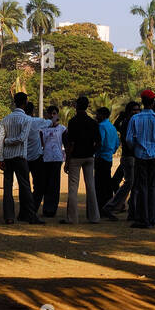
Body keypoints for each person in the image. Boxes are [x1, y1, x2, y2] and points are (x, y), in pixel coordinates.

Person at [0, 93, 41, 225]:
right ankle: (31, 215)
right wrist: (9, 141)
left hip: (7, 157)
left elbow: (0, 140)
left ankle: (9, 216)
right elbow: (22, 138)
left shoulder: (5, 119)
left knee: (7, 187)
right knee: (25, 187)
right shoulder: (27, 119)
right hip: (20, 156)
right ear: (25, 103)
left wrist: (1, 156)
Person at [125, 90, 155, 228]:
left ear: (142, 101)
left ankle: (144, 219)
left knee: (142, 187)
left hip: (140, 156)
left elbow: (129, 139)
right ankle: (152, 218)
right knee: (152, 187)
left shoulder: (135, 119)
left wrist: (136, 147)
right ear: (153, 102)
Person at [62, 96, 100, 224]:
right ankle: (94, 217)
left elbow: (70, 143)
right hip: (89, 156)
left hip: (76, 157)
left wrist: (67, 160)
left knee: (73, 188)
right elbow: (98, 142)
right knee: (91, 187)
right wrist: (92, 152)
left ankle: (72, 218)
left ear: (77, 106)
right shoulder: (93, 122)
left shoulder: (73, 122)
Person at [103, 102, 140, 217]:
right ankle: (111, 206)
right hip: (130, 157)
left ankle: (131, 211)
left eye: (138, 110)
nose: (136, 112)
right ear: (129, 111)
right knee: (129, 184)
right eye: (134, 110)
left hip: (129, 157)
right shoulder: (129, 123)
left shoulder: (127, 122)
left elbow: (116, 126)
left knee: (132, 184)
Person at [94, 107, 118, 217]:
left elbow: (100, 142)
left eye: (97, 114)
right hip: (109, 158)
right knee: (107, 183)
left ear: (102, 115)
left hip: (101, 157)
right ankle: (108, 206)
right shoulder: (112, 127)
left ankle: (100, 208)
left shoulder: (101, 126)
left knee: (99, 185)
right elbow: (117, 143)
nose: (96, 116)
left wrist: (94, 152)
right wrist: (111, 151)